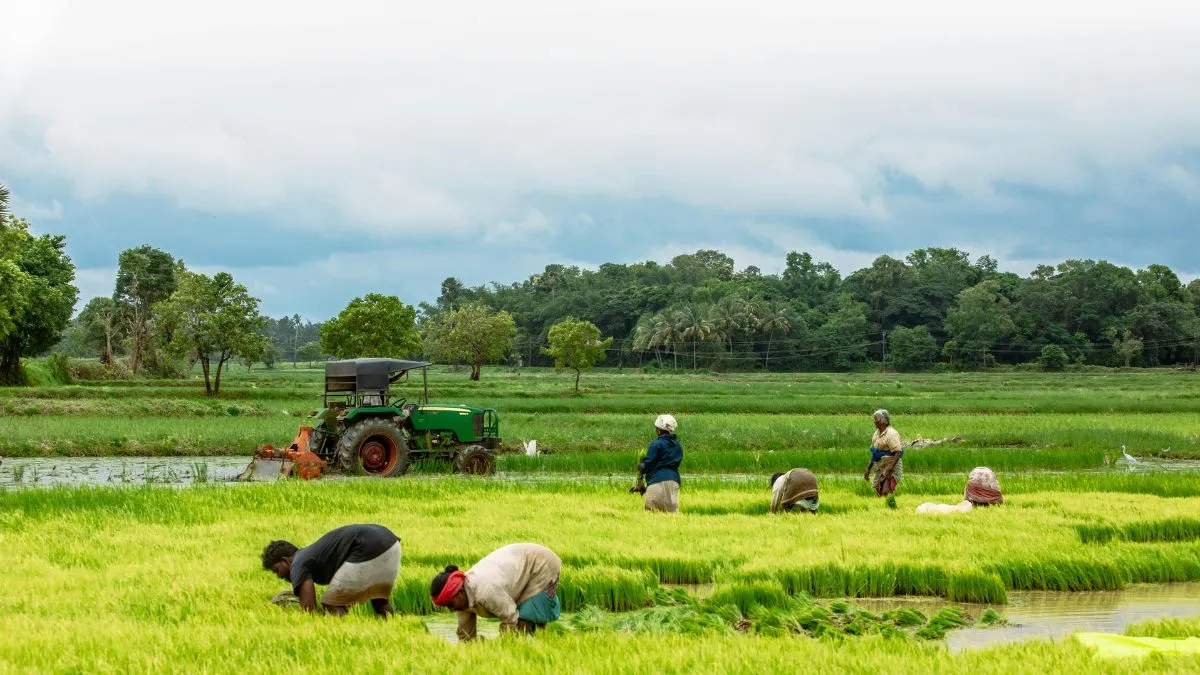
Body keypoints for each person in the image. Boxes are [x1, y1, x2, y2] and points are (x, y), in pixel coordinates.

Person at [261, 523, 401, 617]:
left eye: (276, 570)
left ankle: (345, 640)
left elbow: (308, 611)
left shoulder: (298, 563)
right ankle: (395, 633)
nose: (278, 576)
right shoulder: (309, 556)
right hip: (391, 543)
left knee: (331, 603)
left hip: (367, 546)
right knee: (380, 604)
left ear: (285, 561)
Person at [430, 543, 562, 641]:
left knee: (523, 621)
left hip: (540, 564)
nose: (450, 609)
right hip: (517, 567)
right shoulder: (461, 601)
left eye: (449, 604)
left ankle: (541, 647)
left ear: (459, 592)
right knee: (523, 625)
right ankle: (541, 643)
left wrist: (502, 647)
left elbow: (510, 617)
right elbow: (466, 636)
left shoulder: (486, 591)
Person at [638, 414, 683, 512]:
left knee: (653, 513)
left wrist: (641, 466)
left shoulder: (656, 444)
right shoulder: (678, 445)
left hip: (657, 481)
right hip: (674, 482)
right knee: (671, 515)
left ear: (658, 430)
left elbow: (649, 464)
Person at [864, 409, 903, 497]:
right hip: (880, 466)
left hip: (891, 465)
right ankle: (884, 508)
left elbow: (898, 452)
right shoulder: (876, 434)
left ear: (883, 421)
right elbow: (875, 453)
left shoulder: (891, 434)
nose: (874, 421)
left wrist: (890, 467)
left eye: (876, 419)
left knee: (886, 492)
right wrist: (868, 469)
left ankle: (890, 507)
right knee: (879, 493)